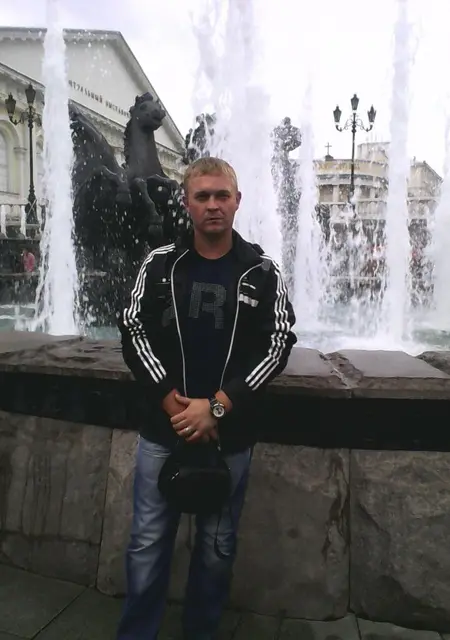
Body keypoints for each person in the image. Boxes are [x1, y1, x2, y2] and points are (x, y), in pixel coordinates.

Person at [117, 156, 296, 640]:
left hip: (228, 436)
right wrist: (169, 399)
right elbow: (132, 328)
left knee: (217, 550)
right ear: (187, 203)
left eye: (222, 196)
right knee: (147, 545)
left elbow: (278, 343)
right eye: (202, 196)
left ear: (237, 201)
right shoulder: (160, 264)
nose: (213, 205)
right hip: (164, 432)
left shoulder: (261, 271)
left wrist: (217, 406)